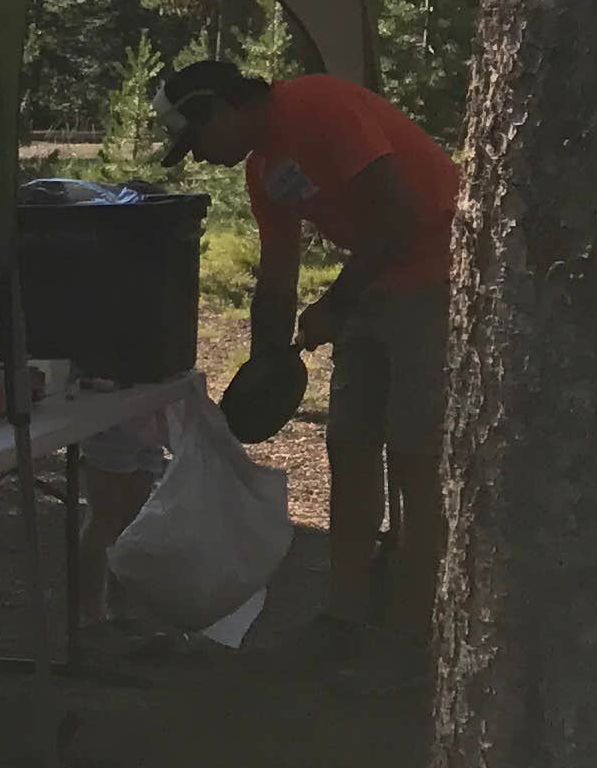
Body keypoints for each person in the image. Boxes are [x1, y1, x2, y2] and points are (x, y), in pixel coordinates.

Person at [157, 57, 462, 655]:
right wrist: (263, 363)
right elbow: (277, 271)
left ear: (219, 109)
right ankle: (345, 615)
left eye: (197, 140)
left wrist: (335, 303)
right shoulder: (265, 168)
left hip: (435, 271)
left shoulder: (318, 107)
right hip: (372, 283)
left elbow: (399, 217)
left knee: (414, 455)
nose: (199, 157)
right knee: (349, 443)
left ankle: (411, 631)